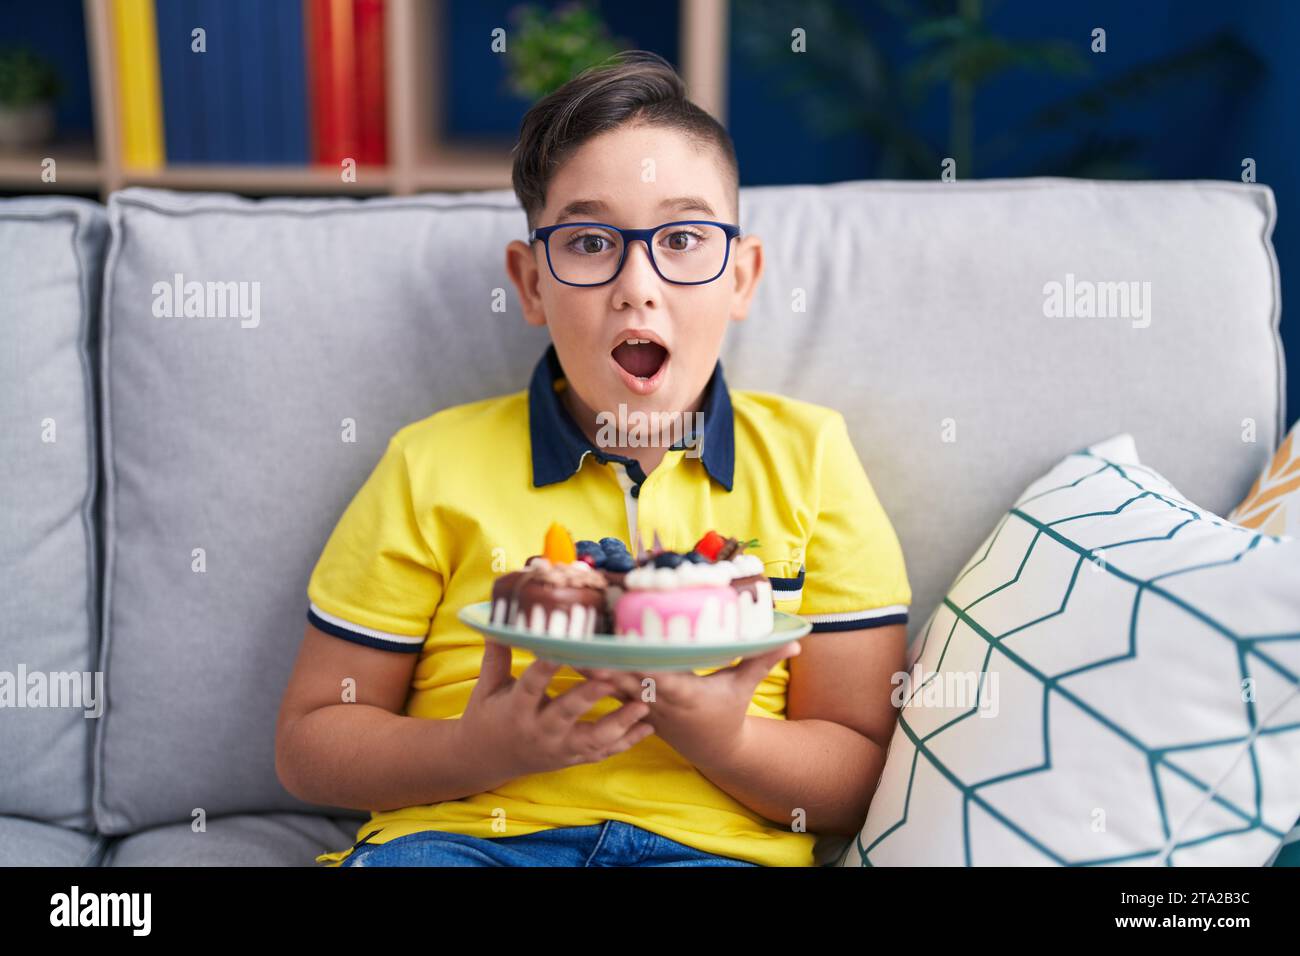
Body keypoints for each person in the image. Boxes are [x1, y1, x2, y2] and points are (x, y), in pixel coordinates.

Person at [275, 50, 911, 868]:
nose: (637, 285)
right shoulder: (428, 464)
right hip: (462, 843)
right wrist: (482, 749)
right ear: (532, 283)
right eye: (587, 242)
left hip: (707, 853)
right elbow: (310, 742)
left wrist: (725, 738)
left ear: (742, 278)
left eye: (682, 238)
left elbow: (857, 774)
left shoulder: (813, 460)